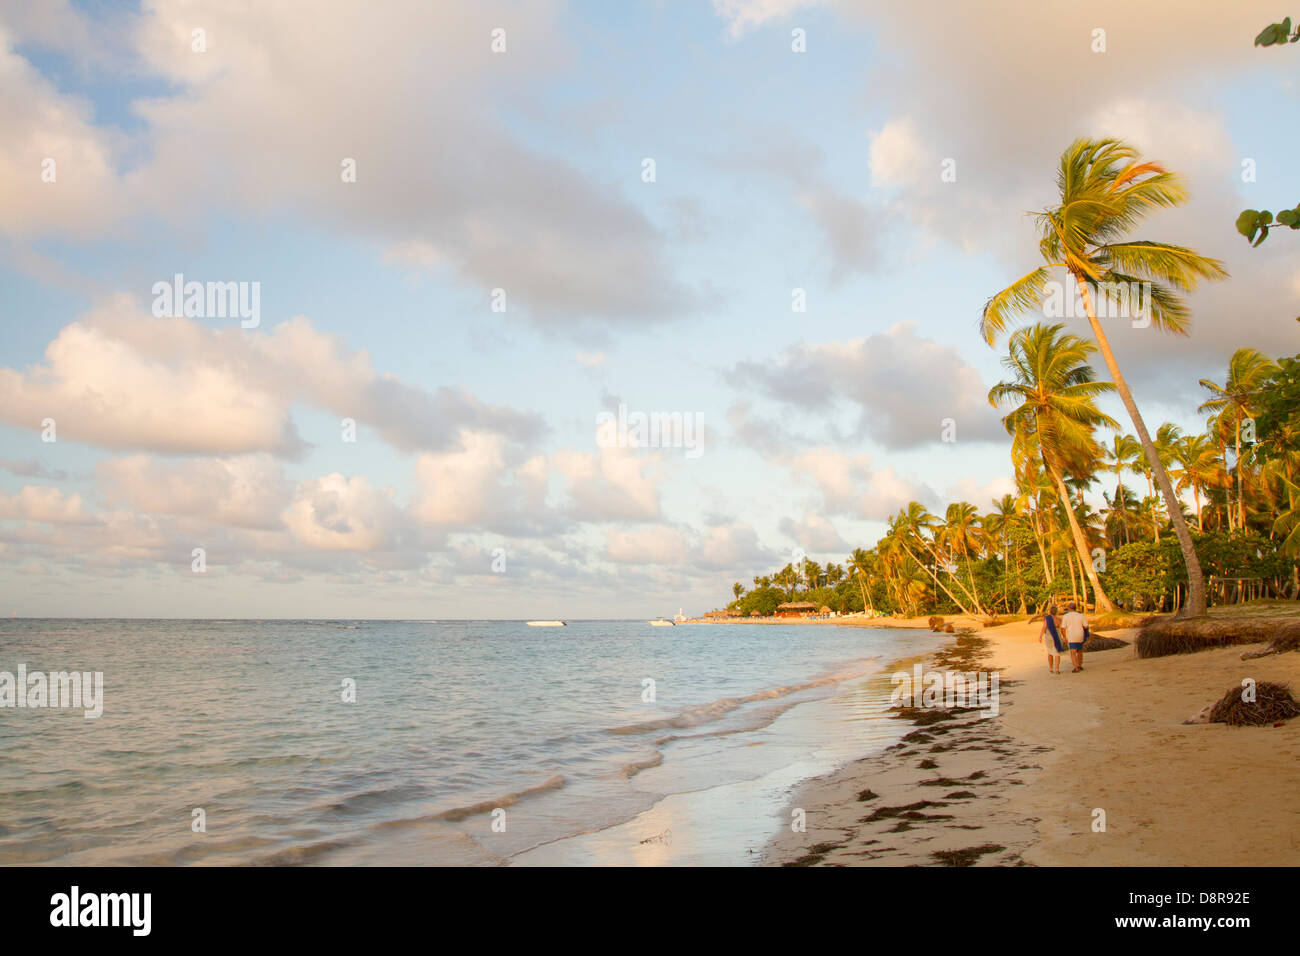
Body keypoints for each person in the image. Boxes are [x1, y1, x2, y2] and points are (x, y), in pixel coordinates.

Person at [1060, 602, 1089, 673]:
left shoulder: (1066, 616)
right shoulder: (1081, 616)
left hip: (1071, 636)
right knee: (1079, 651)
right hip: (1080, 634)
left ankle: (1076, 667)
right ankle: (1079, 665)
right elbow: (1086, 626)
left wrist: (1064, 637)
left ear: (1069, 608)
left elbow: (1063, 628)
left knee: (1073, 652)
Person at [1038, 605, 1064, 674]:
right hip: (1057, 636)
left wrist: (1040, 636)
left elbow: (1044, 627)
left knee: (1050, 653)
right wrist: (1064, 637)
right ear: (1056, 612)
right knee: (1057, 653)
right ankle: (1057, 669)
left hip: (1049, 636)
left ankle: (1051, 668)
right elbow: (1062, 629)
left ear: (1050, 612)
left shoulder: (1047, 618)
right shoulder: (1059, 619)